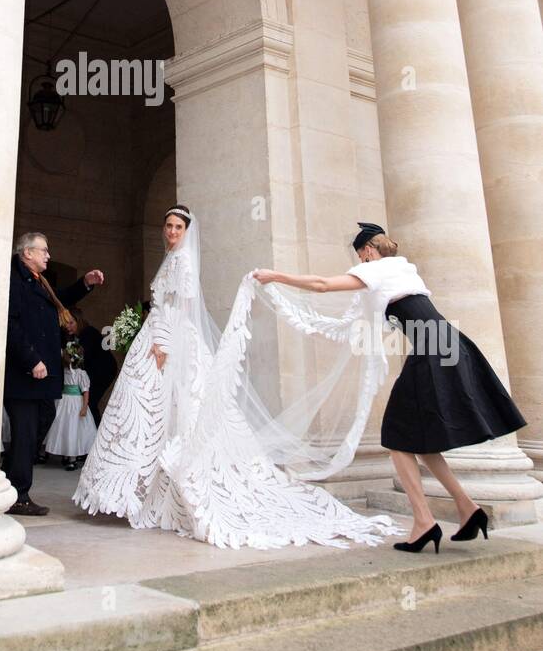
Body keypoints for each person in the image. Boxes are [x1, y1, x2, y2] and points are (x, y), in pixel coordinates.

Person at [74, 206, 400, 549]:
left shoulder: (183, 261)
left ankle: (163, 492)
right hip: (156, 337)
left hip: (171, 342)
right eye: (168, 226)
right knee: (148, 414)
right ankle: (142, 492)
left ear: (187, 231)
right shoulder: (170, 258)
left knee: (180, 410)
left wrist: (164, 344)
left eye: (177, 227)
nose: (171, 232)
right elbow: (160, 306)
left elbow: (183, 307)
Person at [252, 223, 527, 553]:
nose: (359, 263)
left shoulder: (379, 270)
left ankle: (424, 522)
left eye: (359, 256)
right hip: (449, 344)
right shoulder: (404, 268)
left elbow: (322, 285)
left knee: (396, 436)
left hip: (431, 351)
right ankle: (467, 508)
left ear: (368, 250)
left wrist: (276, 276)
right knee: (420, 441)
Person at [4, 232, 104, 516]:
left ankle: (12, 484)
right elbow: (11, 325)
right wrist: (32, 359)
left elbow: (58, 299)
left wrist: (85, 283)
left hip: (42, 377)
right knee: (25, 433)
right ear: (27, 254)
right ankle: (17, 495)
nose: (48, 255)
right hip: (24, 373)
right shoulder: (14, 280)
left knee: (42, 421)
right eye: (44, 251)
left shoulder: (39, 281)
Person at [44, 354, 97, 471]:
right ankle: (65, 454)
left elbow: (85, 391)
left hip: (75, 403)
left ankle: (72, 458)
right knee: (63, 427)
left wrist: (84, 407)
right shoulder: (63, 371)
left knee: (73, 428)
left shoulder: (81, 374)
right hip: (63, 401)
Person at [70, 307, 117, 426]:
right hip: (95, 371)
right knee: (90, 402)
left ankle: (96, 434)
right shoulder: (76, 335)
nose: (67, 326)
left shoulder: (87, 333)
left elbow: (80, 360)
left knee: (90, 402)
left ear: (78, 321)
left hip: (103, 372)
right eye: (65, 323)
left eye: (71, 323)